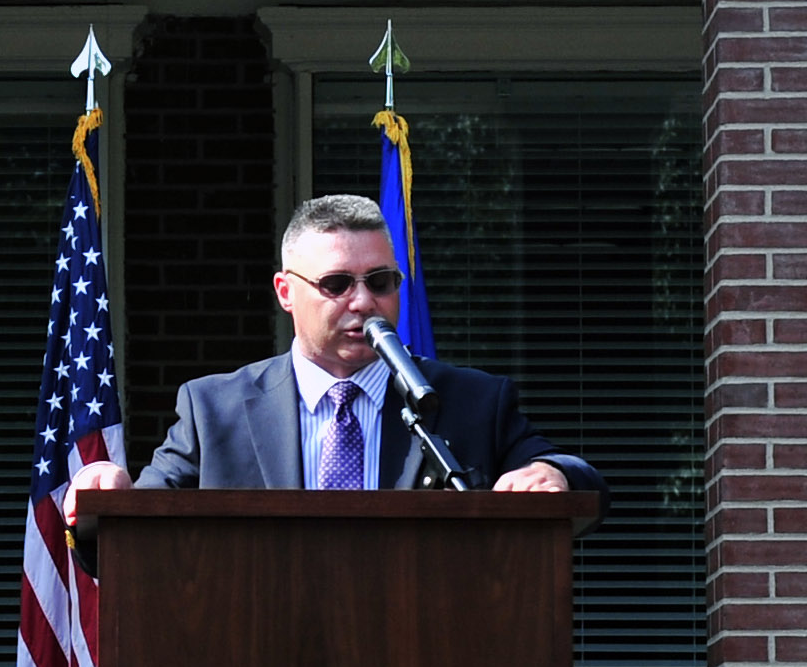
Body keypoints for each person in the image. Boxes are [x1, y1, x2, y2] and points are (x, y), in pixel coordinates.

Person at [65, 193, 608, 514]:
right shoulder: (214, 409)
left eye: (381, 281)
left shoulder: (470, 402)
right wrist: (106, 495)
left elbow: (582, 478)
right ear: (286, 292)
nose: (364, 302)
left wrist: (552, 473)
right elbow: (136, 535)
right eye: (337, 283)